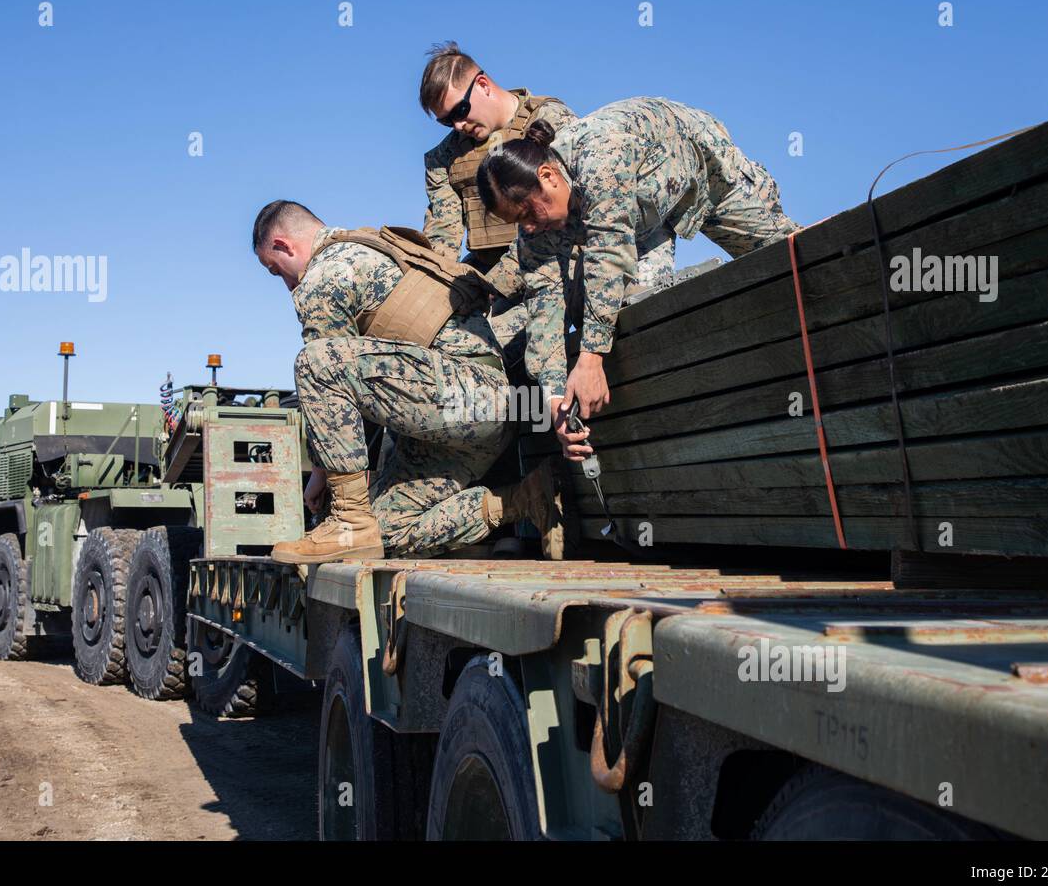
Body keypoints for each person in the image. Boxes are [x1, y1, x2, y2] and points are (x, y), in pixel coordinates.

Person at [475, 96, 797, 459]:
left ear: (547, 177)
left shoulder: (601, 156)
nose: (529, 227)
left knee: (788, 252)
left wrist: (591, 356)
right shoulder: (535, 228)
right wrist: (553, 401)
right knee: (633, 312)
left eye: (527, 213)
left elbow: (607, 253)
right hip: (644, 224)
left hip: (705, 173)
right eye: (518, 223)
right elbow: (544, 303)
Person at [252, 200, 563, 562]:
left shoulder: (323, 278)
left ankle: (348, 521)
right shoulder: (373, 246)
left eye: (278, 271)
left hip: (465, 399)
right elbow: (358, 393)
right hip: (470, 414)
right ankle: (522, 499)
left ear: (282, 245)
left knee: (315, 362)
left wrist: (320, 475)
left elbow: (331, 380)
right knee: (381, 535)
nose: (288, 285)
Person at [420, 42, 576, 366]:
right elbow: (442, 240)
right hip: (489, 279)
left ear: (482, 85)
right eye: (446, 122)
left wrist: (491, 288)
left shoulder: (548, 120)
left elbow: (568, 214)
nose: (458, 126)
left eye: (460, 112)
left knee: (486, 349)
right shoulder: (443, 158)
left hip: (554, 265)